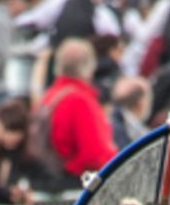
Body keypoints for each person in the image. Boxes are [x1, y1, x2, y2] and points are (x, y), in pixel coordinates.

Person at [33, 36, 118, 185]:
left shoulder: (49, 96)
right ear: (90, 67)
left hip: (47, 178)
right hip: (72, 185)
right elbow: (95, 155)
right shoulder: (81, 101)